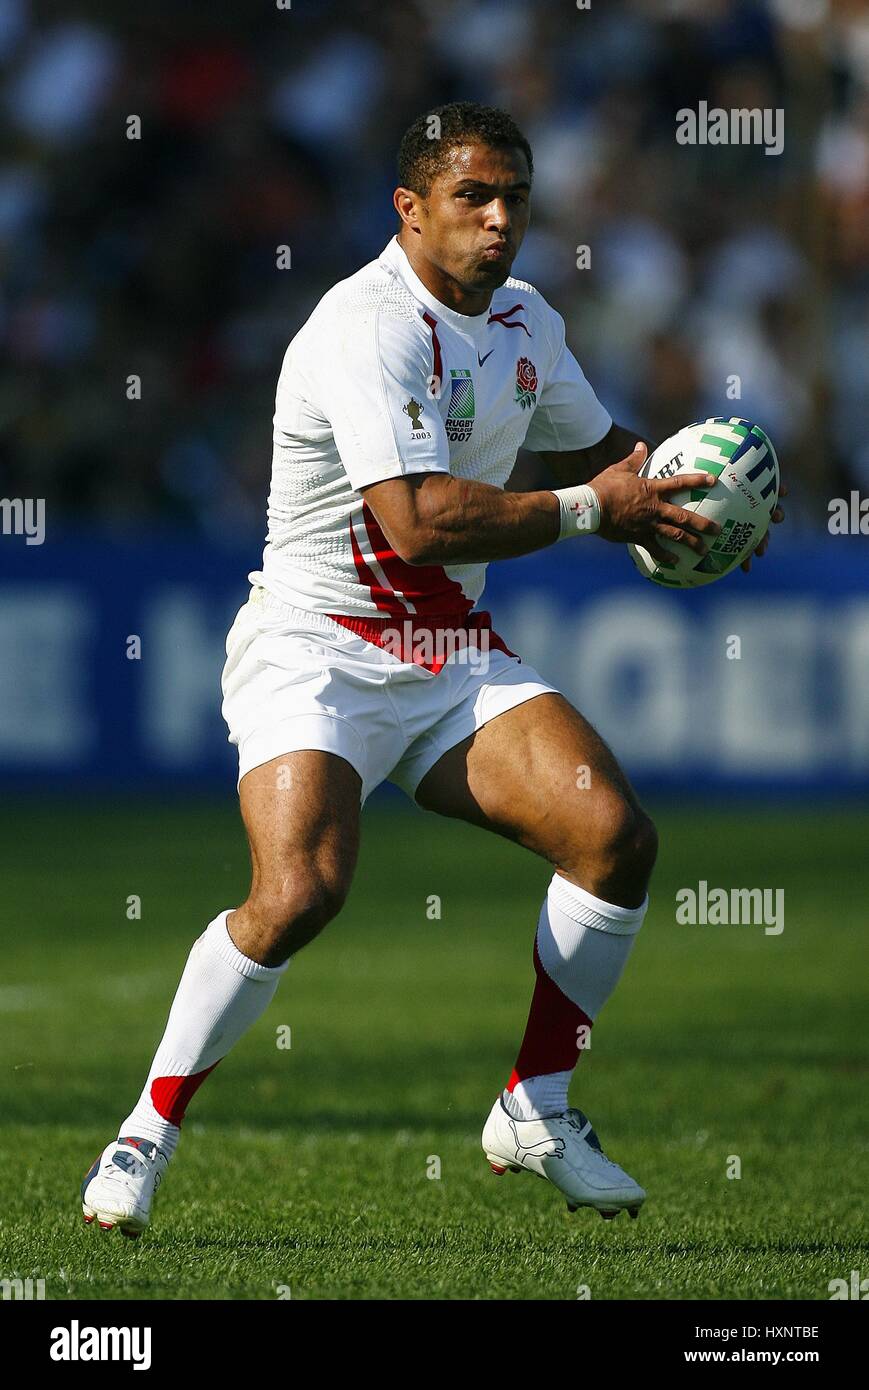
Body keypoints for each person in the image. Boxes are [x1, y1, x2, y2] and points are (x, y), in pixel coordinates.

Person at [81, 101, 782, 1236]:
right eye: (472, 197)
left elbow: (610, 461)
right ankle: (143, 1129)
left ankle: (536, 1102)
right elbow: (414, 521)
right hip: (314, 645)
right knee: (298, 892)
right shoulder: (362, 326)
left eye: (513, 197)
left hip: (446, 654)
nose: (499, 219)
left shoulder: (524, 320)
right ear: (408, 210)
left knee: (613, 836)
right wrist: (588, 511)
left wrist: (703, 501)